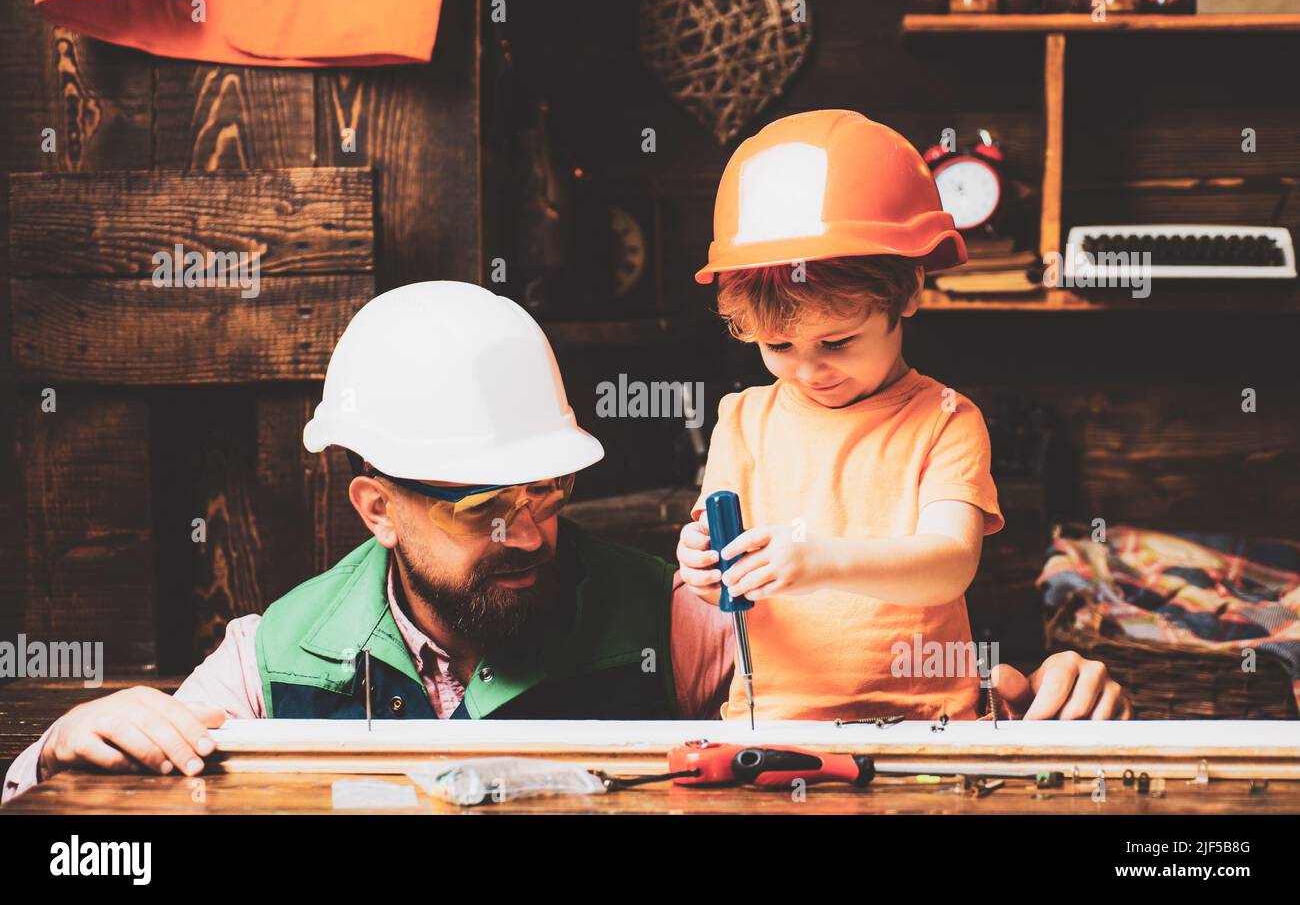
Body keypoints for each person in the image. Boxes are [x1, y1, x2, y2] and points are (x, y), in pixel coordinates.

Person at [4, 278, 1128, 804]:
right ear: (376, 506)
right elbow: (58, 795)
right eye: (481, 507)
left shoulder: (672, 623)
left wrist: (1031, 691)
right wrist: (64, 735)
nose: (529, 528)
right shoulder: (271, 658)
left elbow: (862, 705)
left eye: (544, 490)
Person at [676, 110, 1133, 724]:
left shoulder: (944, 420)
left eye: (837, 343)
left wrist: (820, 559)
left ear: (909, 292)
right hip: (771, 720)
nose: (810, 371)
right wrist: (703, 567)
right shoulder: (740, 420)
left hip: (928, 728)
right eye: (778, 347)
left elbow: (948, 565)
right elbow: (724, 584)